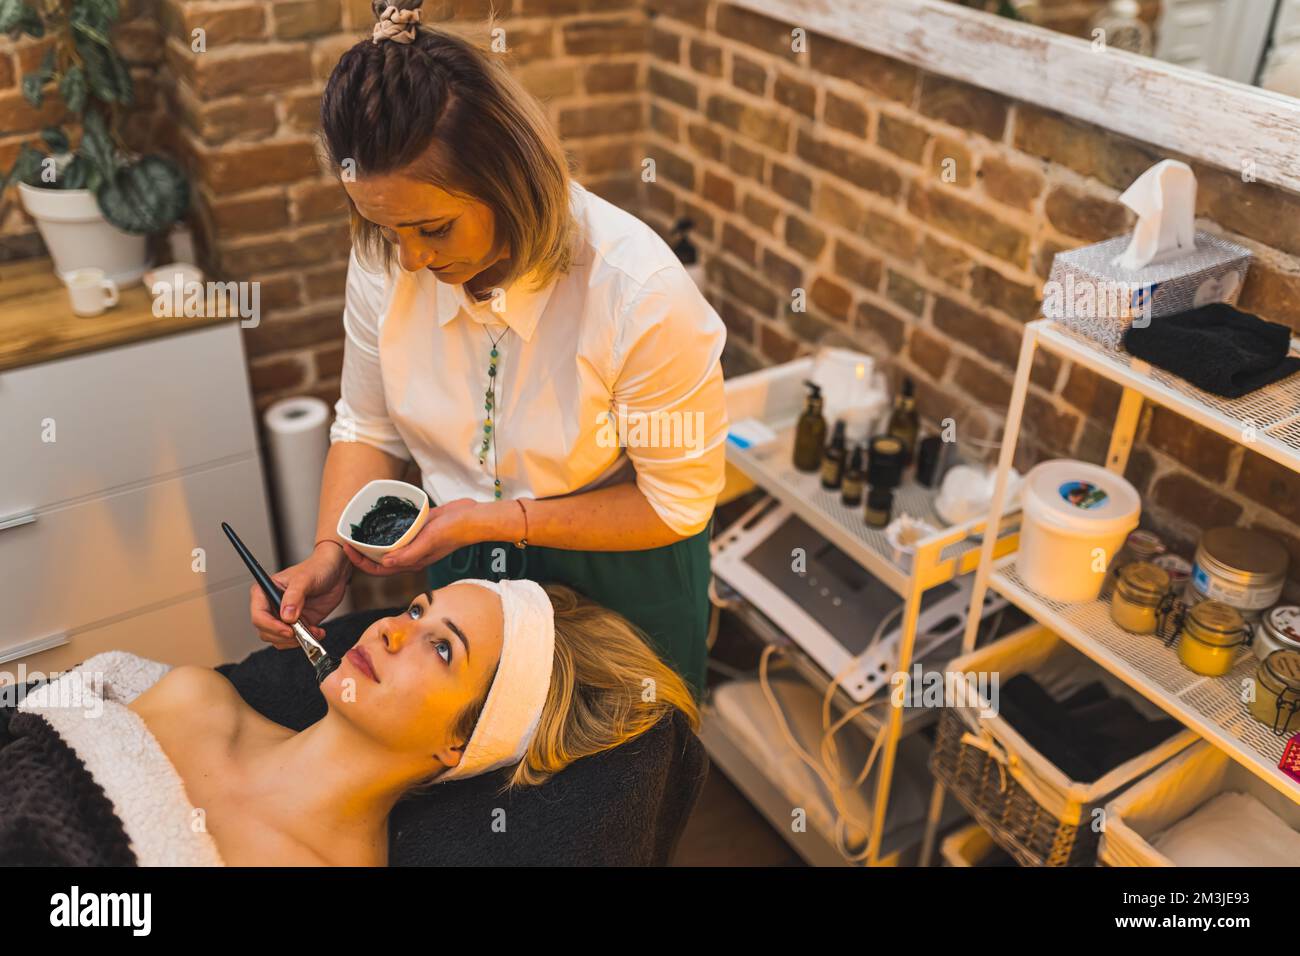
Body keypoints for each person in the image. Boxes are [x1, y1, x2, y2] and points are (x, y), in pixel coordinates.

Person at [248, 0, 728, 696]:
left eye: (434, 229)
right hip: (466, 571)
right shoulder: (387, 256)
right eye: (385, 228)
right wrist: (331, 555)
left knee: (621, 789)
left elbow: (674, 506)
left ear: (510, 182)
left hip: (621, 571)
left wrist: (491, 521)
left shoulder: (639, 293)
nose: (409, 260)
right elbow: (367, 422)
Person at [128, 579, 697, 866]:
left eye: (443, 649)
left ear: (461, 742)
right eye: (418, 609)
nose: (388, 630)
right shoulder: (195, 698)